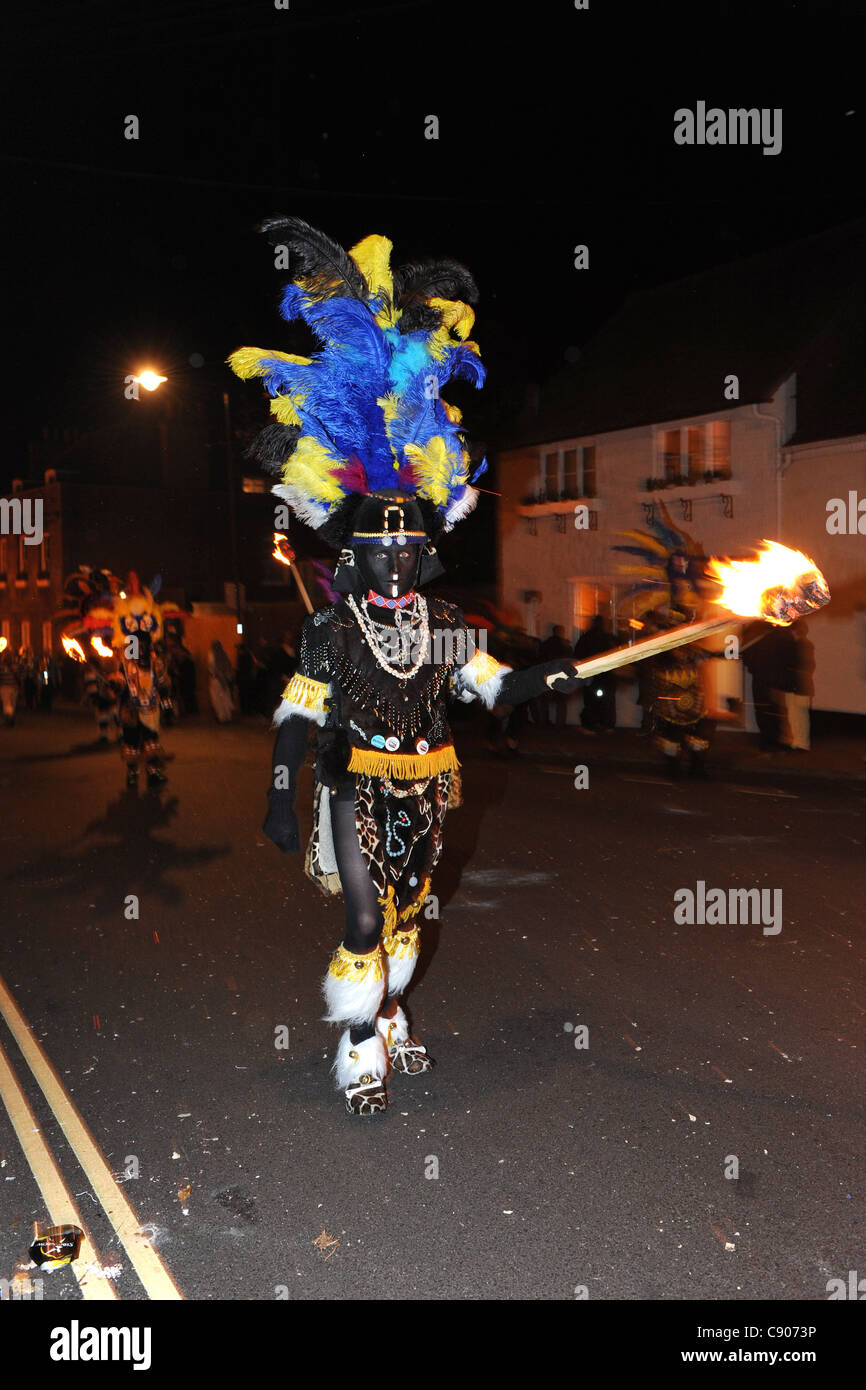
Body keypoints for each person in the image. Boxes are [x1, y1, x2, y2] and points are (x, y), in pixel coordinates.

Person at [229, 217, 583, 1115]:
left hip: (428, 783)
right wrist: (279, 798)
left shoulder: (447, 621)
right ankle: (358, 1044)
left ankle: (389, 1012)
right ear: (357, 558)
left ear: (424, 555)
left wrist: (567, 675)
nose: (393, 562)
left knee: (407, 915)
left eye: (407, 550)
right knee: (360, 917)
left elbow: (497, 687)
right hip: (353, 782)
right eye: (379, 551)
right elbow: (300, 718)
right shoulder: (335, 629)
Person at [110, 576, 172, 788]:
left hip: (151, 711)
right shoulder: (126, 663)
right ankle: (132, 773)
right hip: (131, 711)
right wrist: (115, 685)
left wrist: (167, 704)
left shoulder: (156, 663)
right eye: (138, 645)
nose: (142, 649)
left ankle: (153, 773)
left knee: (152, 743)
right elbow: (118, 680)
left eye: (144, 644)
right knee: (132, 744)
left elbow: (163, 684)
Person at [574, 615, 617, 731]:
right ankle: (606, 724)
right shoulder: (608, 638)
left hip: (591, 674)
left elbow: (578, 654)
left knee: (590, 701)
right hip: (606, 675)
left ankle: (590, 724)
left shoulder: (586, 637)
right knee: (606, 701)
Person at [208, 640, 234, 723]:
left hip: (216, 680)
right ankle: (227, 716)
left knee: (218, 700)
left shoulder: (212, 656)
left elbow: (213, 669)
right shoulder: (224, 655)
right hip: (224, 681)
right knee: (225, 698)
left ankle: (221, 717)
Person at [0, 648, 19, 725]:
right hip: (14, 686)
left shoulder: (2, 666)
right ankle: (10, 718)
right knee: (12, 703)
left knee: (7, 703)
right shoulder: (15, 664)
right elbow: (20, 675)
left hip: (5, 686)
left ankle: (9, 719)